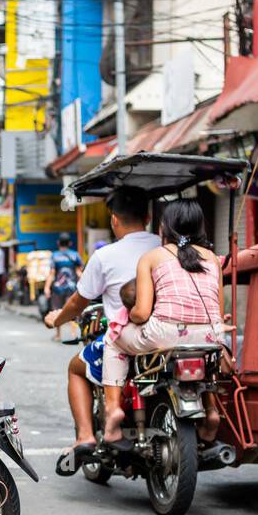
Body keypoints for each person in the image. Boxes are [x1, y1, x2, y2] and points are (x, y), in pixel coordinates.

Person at [43, 187, 161, 461]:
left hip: (128, 338)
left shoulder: (105, 255)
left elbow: (77, 303)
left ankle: (85, 435)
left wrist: (55, 320)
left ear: (114, 220)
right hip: (168, 335)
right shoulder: (164, 247)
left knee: (75, 368)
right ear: (147, 216)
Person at [104, 199, 226, 446]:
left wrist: (132, 318)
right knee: (209, 362)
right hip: (211, 336)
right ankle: (212, 410)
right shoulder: (213, 259)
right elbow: (219, 311)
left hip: (165, 334)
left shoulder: (152, 257)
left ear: (164, 227)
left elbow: (141, 312)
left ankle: (113, 408)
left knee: (112, 340)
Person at [45, 233, 82, 339]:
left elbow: (52, 273)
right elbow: (79, 272)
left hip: (58, 289)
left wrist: (47, 287)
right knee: (72, 310)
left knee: (57, 310)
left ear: (58, 243)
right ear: (70, 243)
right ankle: (74, 334)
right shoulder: (75, 255)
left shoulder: (55, 255)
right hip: (72, 288)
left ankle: (58, 335)